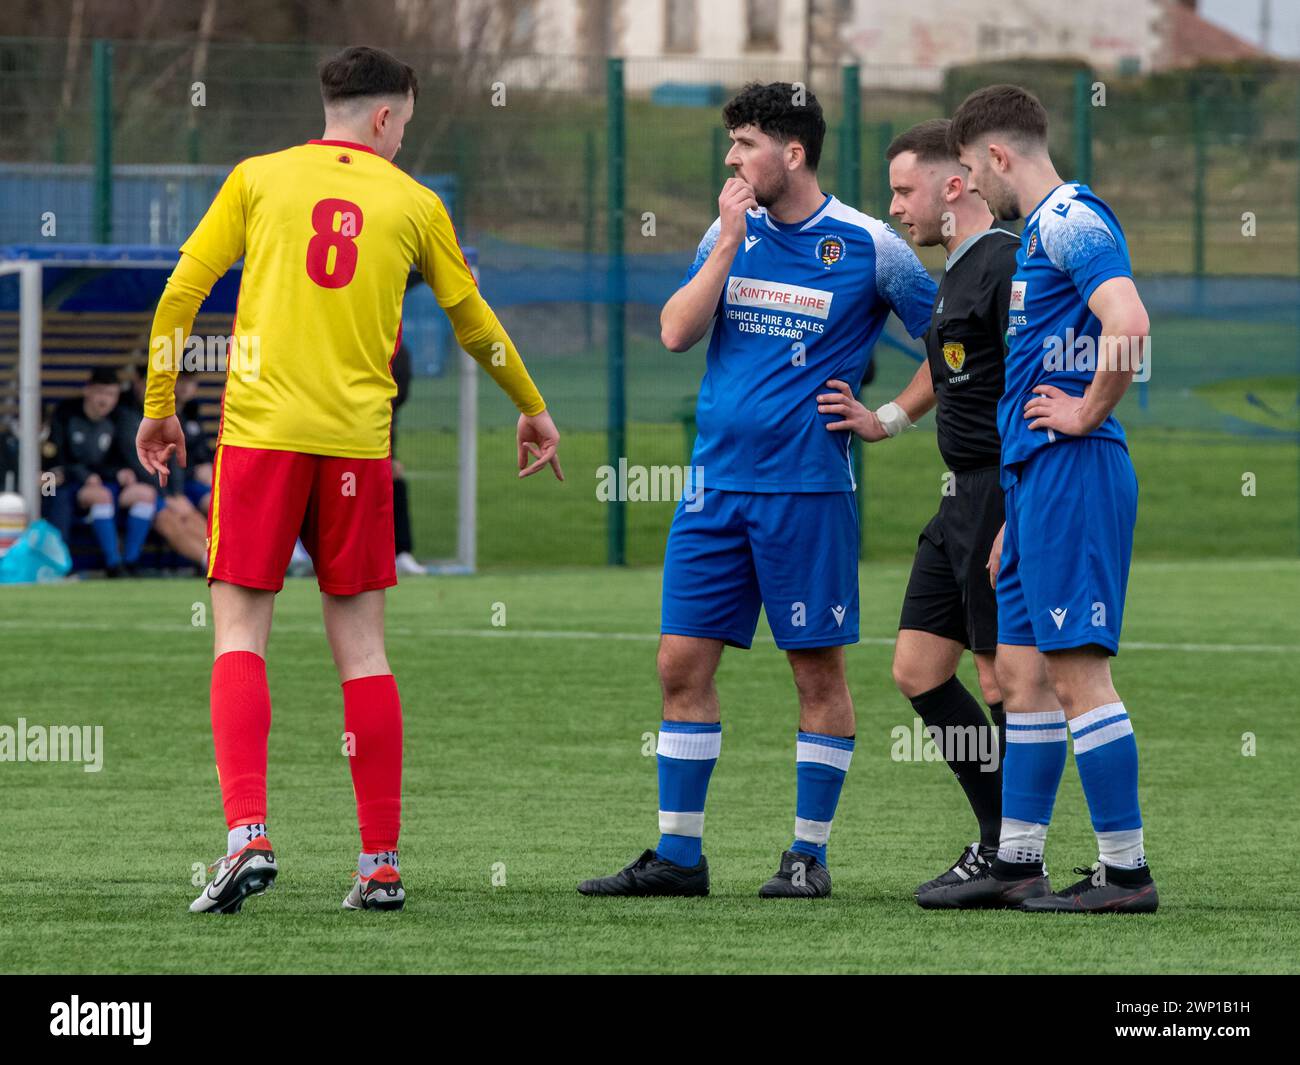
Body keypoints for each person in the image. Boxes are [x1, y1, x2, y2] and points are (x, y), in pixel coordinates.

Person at [136, 45, 562, 915]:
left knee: (239, 635)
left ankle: (247, 833)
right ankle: (379, 864)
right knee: (364, 652)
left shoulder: (257, 178)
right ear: (383, 117)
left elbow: (182, 290)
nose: (403, 138)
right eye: (404, 124)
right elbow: (472, 318)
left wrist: (159, 404)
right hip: (359, 450)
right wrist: (531, 404)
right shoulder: (414, 202)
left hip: (259, 439)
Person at [578, 82, 936, 900]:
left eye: (744, 144)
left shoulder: (870, 245)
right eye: (731, 143)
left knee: (815, 673)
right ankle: (679, 856)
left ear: (793, 152)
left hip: (806, 493)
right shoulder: (726, 232)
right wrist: (727, 243)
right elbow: (675, 331)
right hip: (712, 492)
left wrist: (887, 418)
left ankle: (806, 855)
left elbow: (955, 342)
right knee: (680, 663)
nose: (732, 159)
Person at [946, 85, 1156, 912]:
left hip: (1077, 469)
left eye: (970, 168)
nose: (971, 185)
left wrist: (1088, 408)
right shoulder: (1039, 230)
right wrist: (1015, 511)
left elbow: (1129, 319)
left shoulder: (1069, 218)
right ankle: (1017, 859)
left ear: (997, 157)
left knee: (1077, 678)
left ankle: (1125, 873)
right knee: (1024, 676)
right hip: (1037, 482)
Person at [821, 119, 1019, 903]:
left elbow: (1038, 379)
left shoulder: (1005, 266)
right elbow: (947, 369)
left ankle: (1013, 854)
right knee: (917, 668)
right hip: (959, 497)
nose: (897, 206)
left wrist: (1020, 504)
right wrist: (886, 421)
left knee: (1003, 678)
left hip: (1001, 488)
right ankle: (1002, 837)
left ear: (955, 183)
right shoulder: (954, 275)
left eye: (906, 189)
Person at [48, 366, 158, 576]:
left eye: (111, 394)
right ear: (88, 390)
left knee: (146, 494)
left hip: (107, 481)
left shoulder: (118, 418)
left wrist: (122, 472)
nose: (104, 400)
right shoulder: (66, 414)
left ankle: (131, 562)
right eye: (100, 392)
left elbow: (120, 457)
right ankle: (113, 564)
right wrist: (84, 475)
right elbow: (57, 458)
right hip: (73, 484)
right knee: (100, 496)